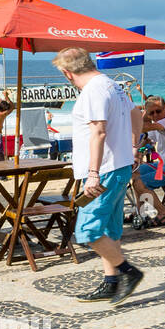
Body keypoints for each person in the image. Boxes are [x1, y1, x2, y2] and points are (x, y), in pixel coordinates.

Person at [53, 47, 145, 304]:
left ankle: (129, 273)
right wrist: (134, 147)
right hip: (118, 166)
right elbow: (137, 113)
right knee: (110, 229)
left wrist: (92, 174)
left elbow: (99, 133)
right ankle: (110, 281)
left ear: (67, 72)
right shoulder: (112, 85)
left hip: (103, 170)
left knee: (88, 230)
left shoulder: (93, 90)